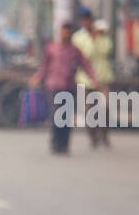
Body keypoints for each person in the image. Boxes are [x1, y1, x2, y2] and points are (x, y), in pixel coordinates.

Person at [30, 20, 101, 154]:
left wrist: (94, 80)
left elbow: (86, 66)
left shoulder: (75, 51)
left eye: (67, 32)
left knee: (67, 118)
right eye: (63, 31)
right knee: (56, 115)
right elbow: (44, 66)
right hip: (53, 86)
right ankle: (55, 142)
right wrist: (38, 77)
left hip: (68, 87)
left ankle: (64, 144)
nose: (65, 34)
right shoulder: (51, 48)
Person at [72, 10, 114, 148]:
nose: (86, 23)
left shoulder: (102, 36)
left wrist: (97, 37)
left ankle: (105, 135)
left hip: (102, 77)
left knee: (105, 108)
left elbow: (107, 50)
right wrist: (92, 39)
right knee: (89, 110)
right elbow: (85, 55)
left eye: (88, 20)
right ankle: (93, 137)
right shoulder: (78, 38)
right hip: (85, 80)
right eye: (83, 20)